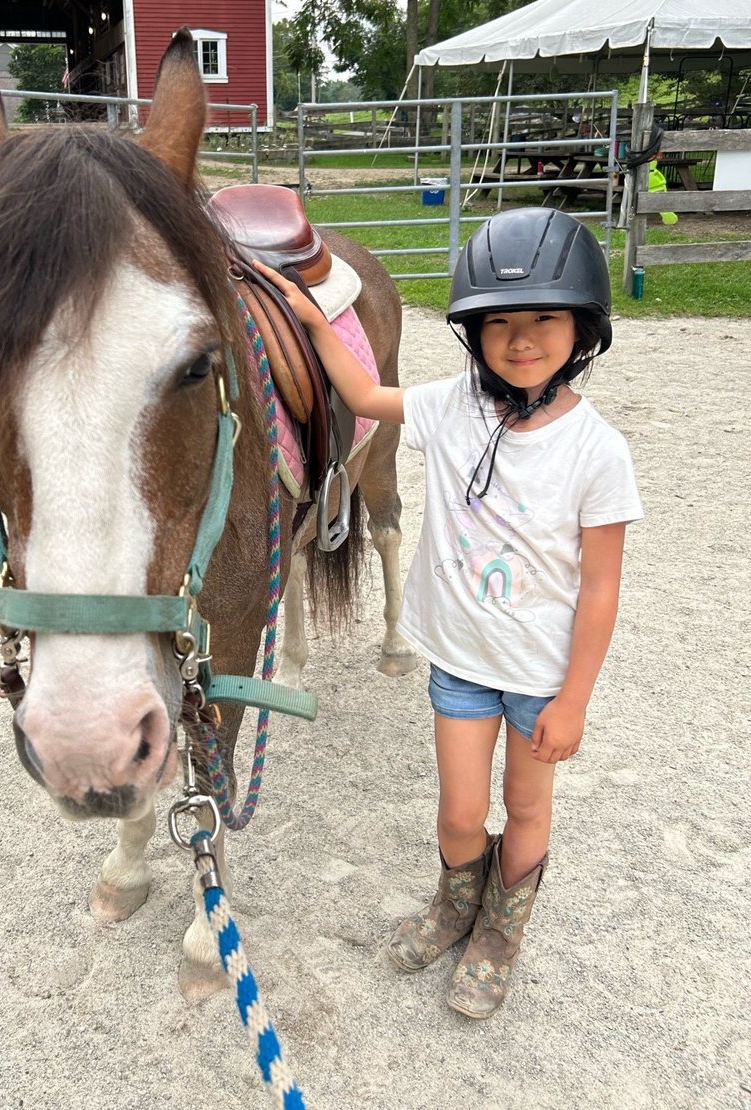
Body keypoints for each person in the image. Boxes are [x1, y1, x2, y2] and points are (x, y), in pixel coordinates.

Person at [255, 207, 642, 1019]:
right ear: (474, 331)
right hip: (462, 664)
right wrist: (315, 322)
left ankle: (499, 935)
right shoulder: (451, 406)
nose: (521, 339)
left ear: (583, 329)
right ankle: (454, 905)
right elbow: (364, 394)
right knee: (462, 811)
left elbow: (601, 587)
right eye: (499, 322)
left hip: (539, 676)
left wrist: (574, 700)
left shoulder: (598, 451)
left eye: (544, 319)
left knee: (526, 807)